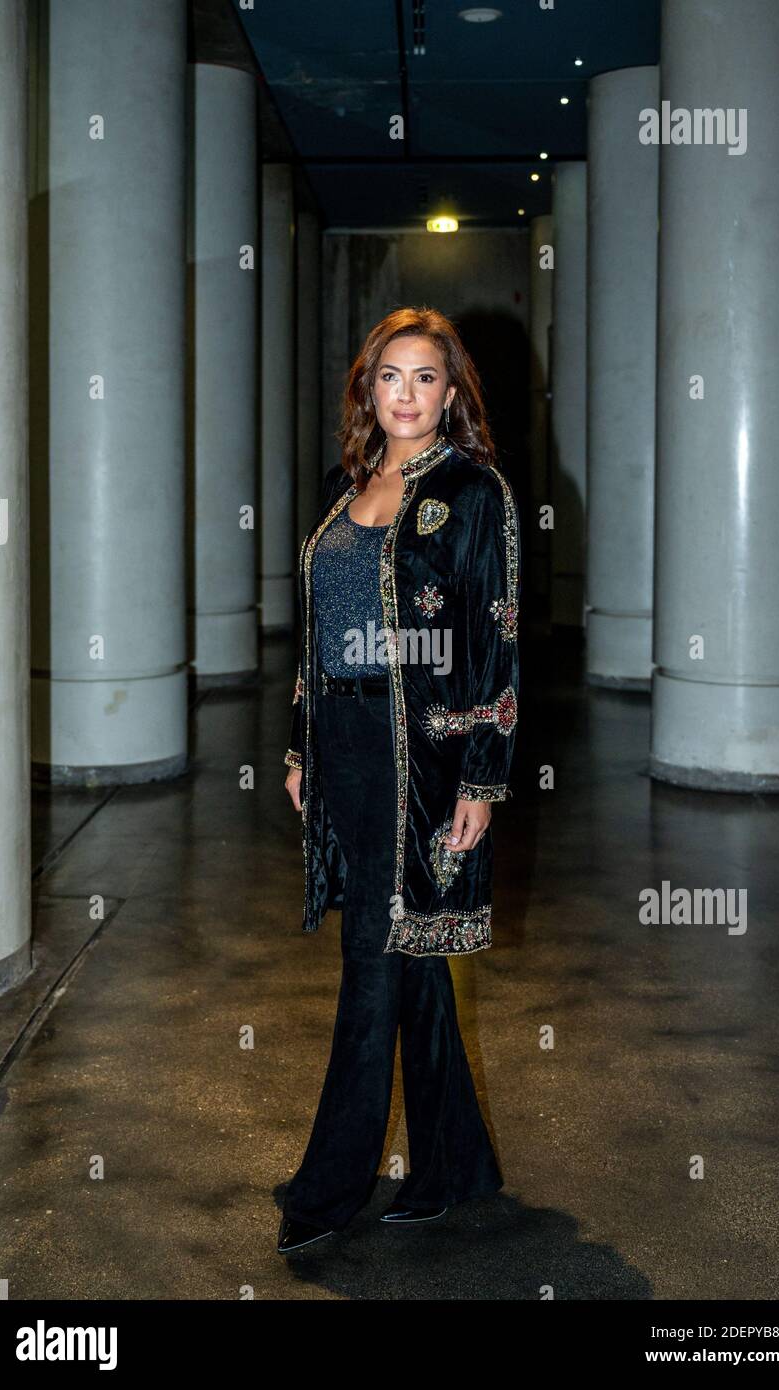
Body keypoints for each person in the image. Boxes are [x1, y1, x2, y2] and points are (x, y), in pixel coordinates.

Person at [278, 306, 521, 1254]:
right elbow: (319, 631)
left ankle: (330, 1186)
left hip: (418, 749)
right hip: (341, 738)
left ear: (451, 392)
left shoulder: (472, 492)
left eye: (426, 378)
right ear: (366, 389)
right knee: (408, 955)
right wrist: (300, 747)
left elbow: (491, 643)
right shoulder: (350, 486)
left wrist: (481, 780)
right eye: (390, 376)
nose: (407, 395)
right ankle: (454, 1165)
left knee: (372, 961)